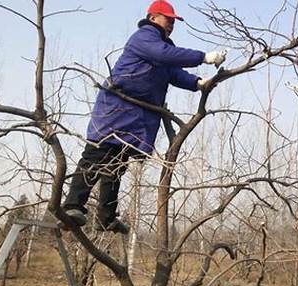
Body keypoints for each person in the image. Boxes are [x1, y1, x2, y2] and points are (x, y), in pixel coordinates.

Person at [59, 0, 227, 234]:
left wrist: (199, 83)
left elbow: (173, 73)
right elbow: (164, 55)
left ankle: (106, 217)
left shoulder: (162, 49)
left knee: (117, 165)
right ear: (153, 18)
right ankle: (72, 207)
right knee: (96, 154)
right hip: (116, 109)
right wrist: (204, 57)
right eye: (168, 19)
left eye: (173, 21)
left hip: (133, 115)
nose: (171, 24)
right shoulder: (145, 38)